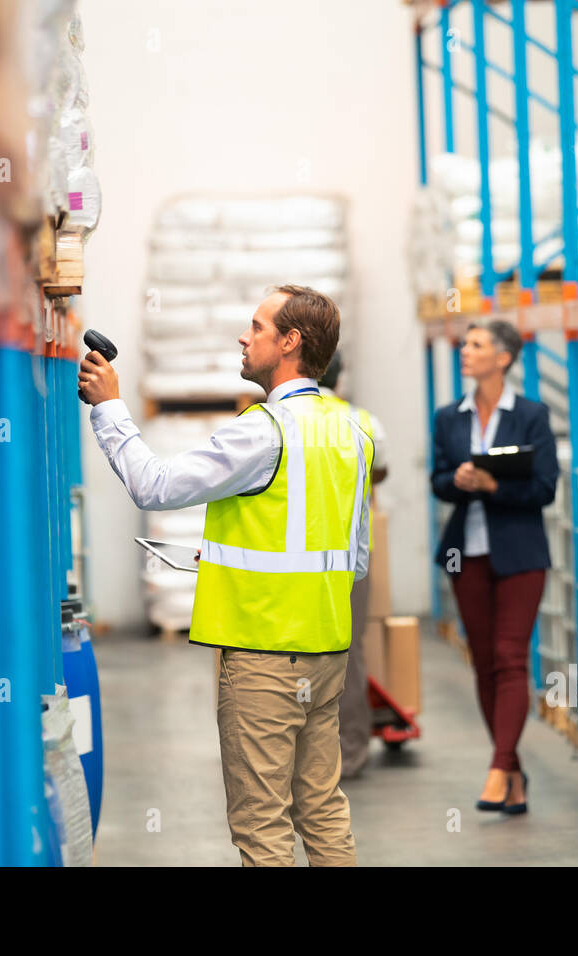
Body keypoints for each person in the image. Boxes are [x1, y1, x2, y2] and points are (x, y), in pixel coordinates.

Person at [78, 284, 374, 866]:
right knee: (321, 807)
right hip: (326, 651)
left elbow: (155, 486)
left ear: (289, 343)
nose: (244, 336)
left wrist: (110, 406)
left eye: (258, 327)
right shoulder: (351, 431)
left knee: (261, 824)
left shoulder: (264, 429)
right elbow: (351, 556)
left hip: (264, 659)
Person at [429, 319, 558, 815]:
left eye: (477, 344)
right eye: (465, 343)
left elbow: (545, 488)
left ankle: (498, 767)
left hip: (521, 554)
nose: (466, 351)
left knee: (510, 658)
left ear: (503, 357)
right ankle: (514, 774)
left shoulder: (530, 416)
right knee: (483, 661)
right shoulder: (450, 418)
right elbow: (437, 480)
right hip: (467, 556)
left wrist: (493, 487)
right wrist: (459, 480)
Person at [317, 353, 388, 779]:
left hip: (288, 564)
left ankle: (303, 758)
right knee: (349, 653)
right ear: (339, 378)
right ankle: (352, 752)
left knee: (294, 656)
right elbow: (380, 471)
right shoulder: (363, 421)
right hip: (351, 559)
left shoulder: (272, 420)